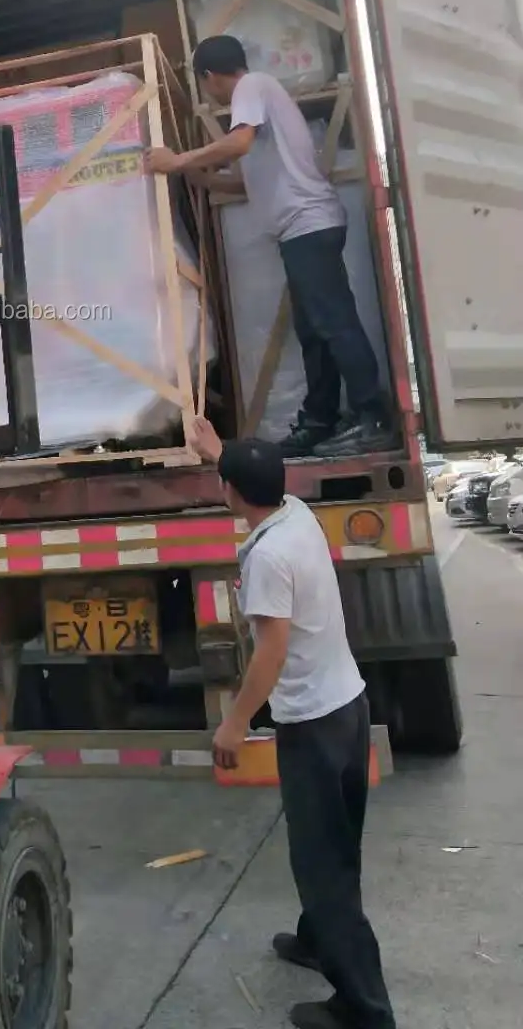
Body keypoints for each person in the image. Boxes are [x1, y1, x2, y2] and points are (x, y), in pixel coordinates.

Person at [190, 415, 394, 1029]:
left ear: (230, 494)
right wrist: (219, 452)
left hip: (312, 725)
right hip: (349, 707)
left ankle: (366, 1009)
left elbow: (270, 655)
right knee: (337, 846)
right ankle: (315, 941)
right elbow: (250, 476)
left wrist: (234, 723)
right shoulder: (295, 514)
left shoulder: (267, 559)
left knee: (321, 864)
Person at [146, 34, 392, 457]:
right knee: (314, 331)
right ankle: (320, 421)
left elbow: (238, 142)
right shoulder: (263, 99)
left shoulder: (251, 86)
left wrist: (179, 160)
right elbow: (251, 180)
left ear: (209, 77)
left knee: (333, 324)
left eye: (206, 85)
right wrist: (203, 180)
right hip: (304, 229)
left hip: (309, 227)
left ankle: (375, 417)